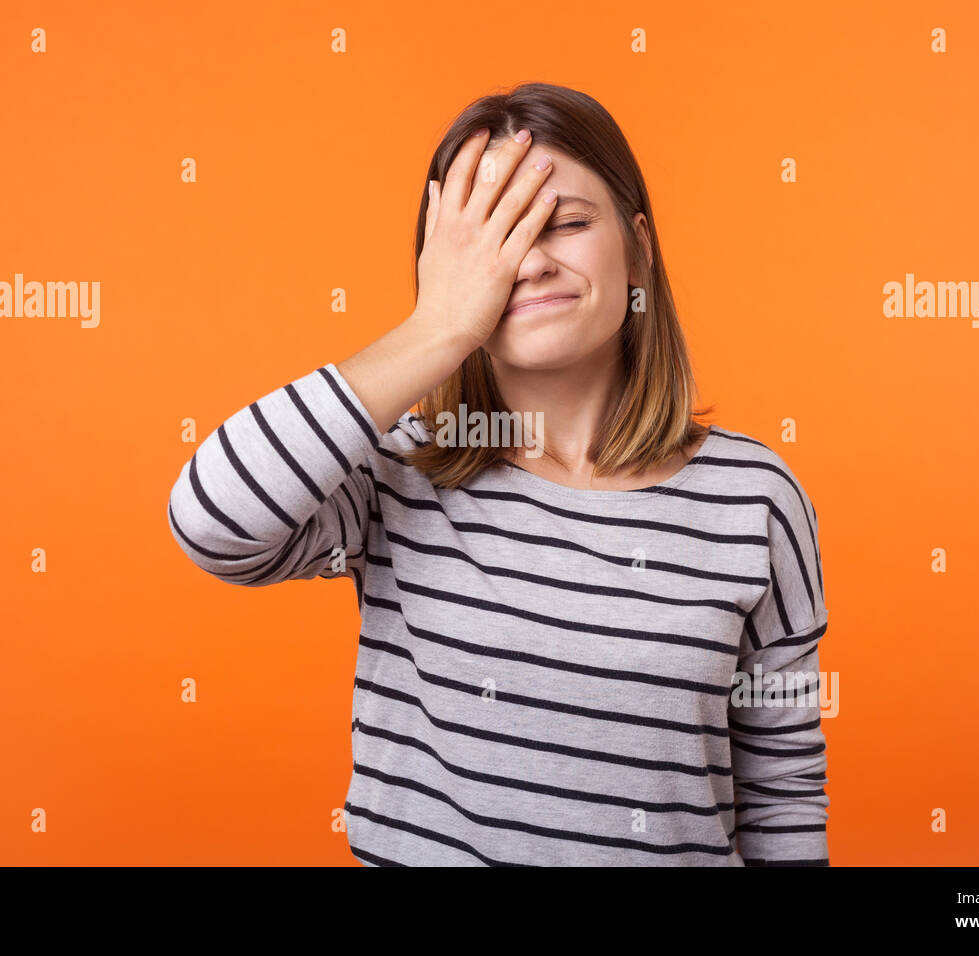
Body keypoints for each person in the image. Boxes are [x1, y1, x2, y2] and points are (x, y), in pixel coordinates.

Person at [167, 82, 830, 866]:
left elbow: (782, 780)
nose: (532, 261)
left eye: (569, 223)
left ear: (639, 245)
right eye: (493, 242)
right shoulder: (398, 470)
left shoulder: (754, 498)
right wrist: (439, 325)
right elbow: (211, 522)